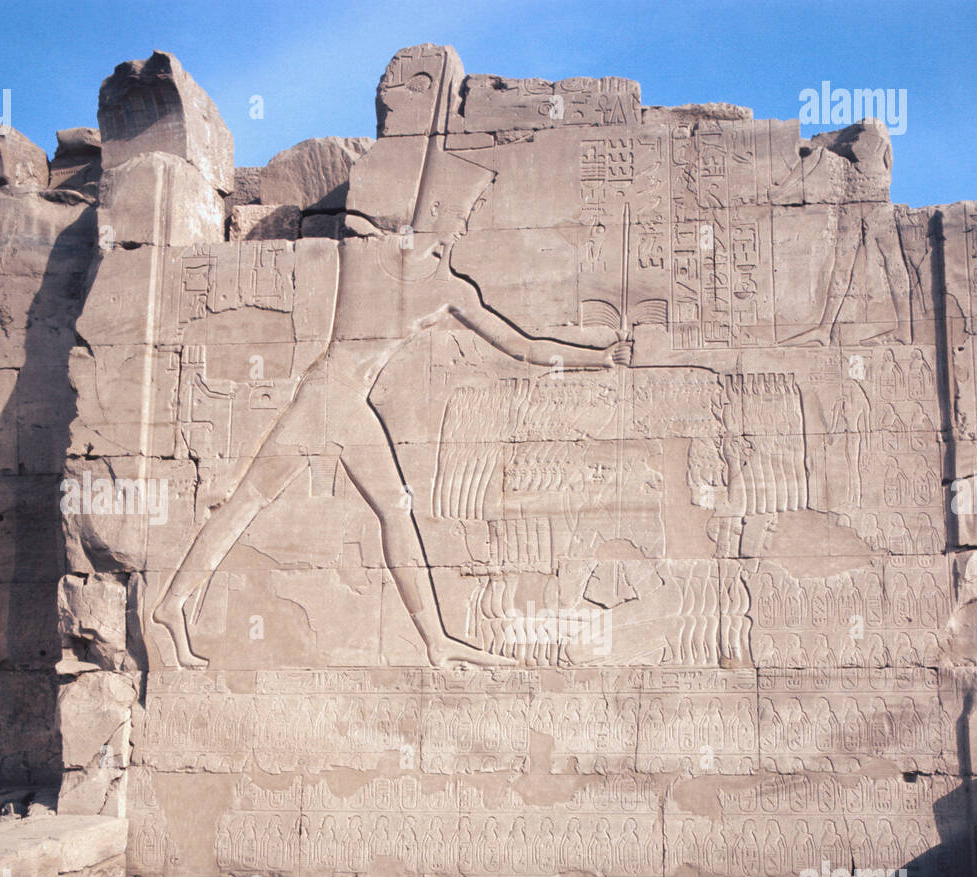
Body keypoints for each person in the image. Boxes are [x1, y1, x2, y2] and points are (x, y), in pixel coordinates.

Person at [152, 45, 630, 669]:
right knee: (277, 505)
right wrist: (417, 128)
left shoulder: (436, 280)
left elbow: (524, 346)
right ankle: (177, 604)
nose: (461, 227)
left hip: (341, 399)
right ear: (434, 212)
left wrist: (599, 353)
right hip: (331, 398)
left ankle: (433, 643)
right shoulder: (386, 257)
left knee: (331, 507)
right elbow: (393, 211)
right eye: (458, 215)